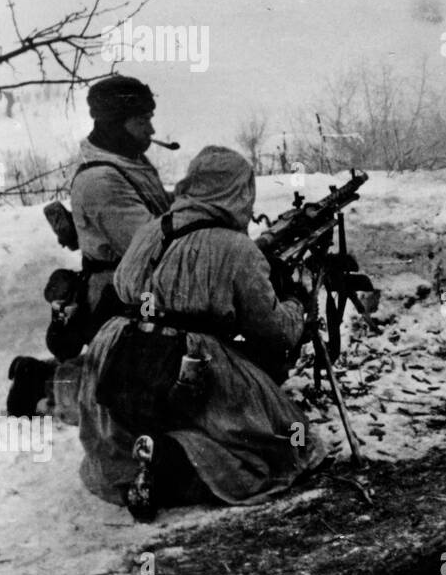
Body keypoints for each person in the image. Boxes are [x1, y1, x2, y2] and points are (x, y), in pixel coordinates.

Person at [77, 145, 325, 519]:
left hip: (121, 348)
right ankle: (171, 460)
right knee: (286, 446)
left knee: (132, 426)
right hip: (189, 359)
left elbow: (126, 285)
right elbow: (274, 333)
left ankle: (142, 457)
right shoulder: (235, 248)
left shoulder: (151, 230)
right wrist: (296, 303)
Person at [7, 76, 172, 416]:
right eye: (143, 120)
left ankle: (43, 375)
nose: (151, 128)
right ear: (117, 124)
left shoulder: (127, 161)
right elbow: (148, 244)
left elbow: (156, 211)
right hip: (120, 291)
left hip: (131, 285)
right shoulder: (100, 180)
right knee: (139, 387)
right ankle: (41, 387)